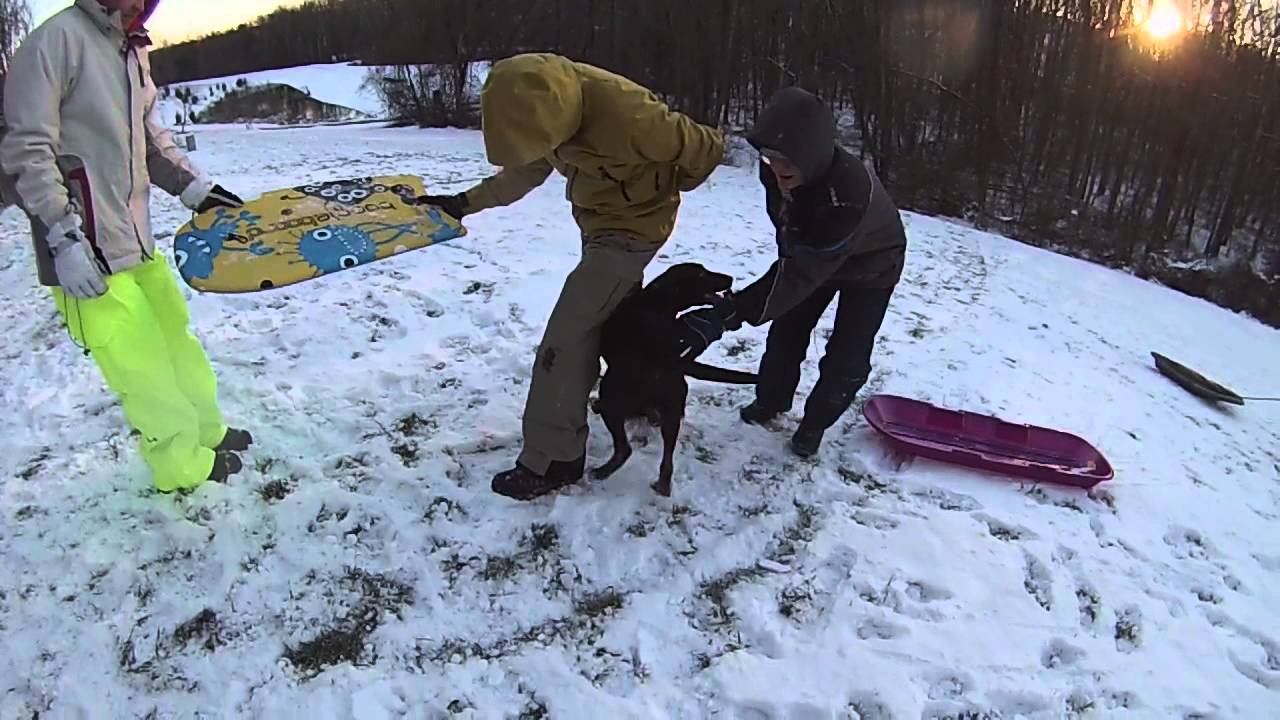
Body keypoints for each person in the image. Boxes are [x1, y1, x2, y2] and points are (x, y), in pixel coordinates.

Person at [418, 53, 725, 501]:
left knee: (566, 340)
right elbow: (524, 169)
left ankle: (554, 458)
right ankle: (638, 394)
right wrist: (463, 203)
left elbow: (707, 146)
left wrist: (662, 185)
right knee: (613, 318)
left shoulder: (633, 117)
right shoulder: (538, 102)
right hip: (597, 226)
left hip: (634, 232)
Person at [0, 0, 252, 492]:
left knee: (176, 342)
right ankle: (180, 466)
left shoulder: (131, 49)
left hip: (134, 238)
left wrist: (193, 187)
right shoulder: (56, 41)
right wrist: (62, 236)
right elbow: (28, 149)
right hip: (84, 252)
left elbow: (149, 138)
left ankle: (207, 433)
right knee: (143, 369)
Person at [674, 87, 908, 458]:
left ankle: (815, 424)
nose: (775, 167)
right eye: (769, 157)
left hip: (873, 264)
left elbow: (801, 272)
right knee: (787, 330)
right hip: (815, 251)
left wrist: (730, 312)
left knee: (847, 352)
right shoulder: (777, 172)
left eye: (786, 160)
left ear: (812, 155)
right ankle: (771, 400)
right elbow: (792, 233)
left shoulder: (846, 196)